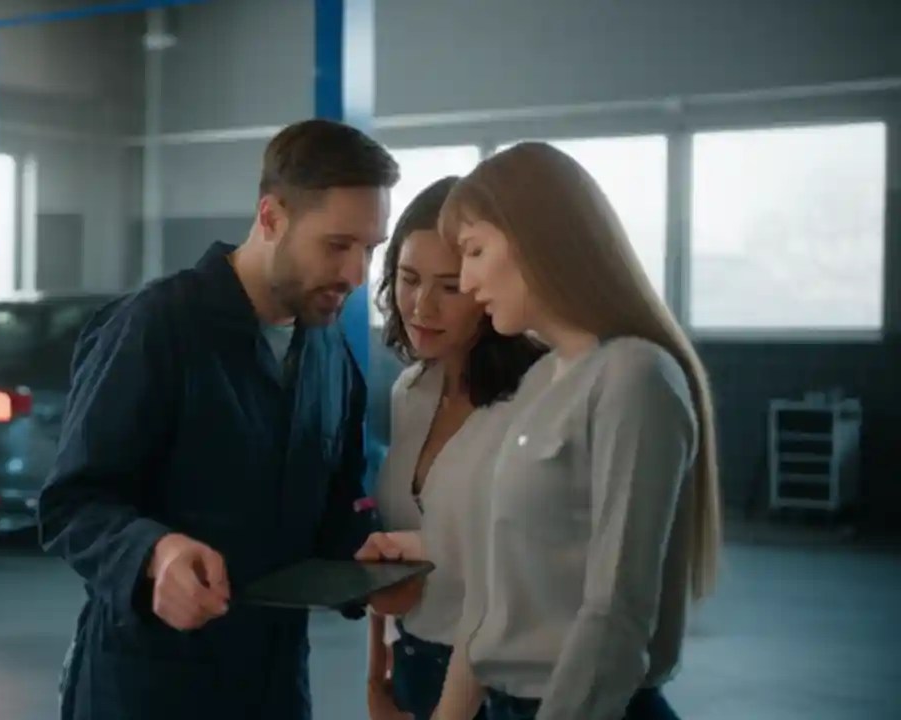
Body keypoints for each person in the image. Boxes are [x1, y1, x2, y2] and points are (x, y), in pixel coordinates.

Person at [36, 118, 400, 720]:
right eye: (337, 245)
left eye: (371, 249)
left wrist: (382, 564)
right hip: (146, 692)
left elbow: (333, 517)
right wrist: (155, 554)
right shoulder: (155, 327)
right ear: (271, 217)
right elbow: (72, 503)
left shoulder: (329, 353)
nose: (356, 275)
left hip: (274, 688)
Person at [427, 142, 722, 720]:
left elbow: (617, 609)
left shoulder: (633, 377)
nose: (465, 279)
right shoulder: (540, 382)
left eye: (475, 250)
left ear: (537, 239)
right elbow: (492, 592)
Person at [358, 177, 544, 720]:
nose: (421, 305)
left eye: (450, 287)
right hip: (413, 666)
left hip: (501, 684)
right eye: (408, 279)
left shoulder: (535, 400)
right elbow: (389, 555)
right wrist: (376, 678)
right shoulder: (411, 390)